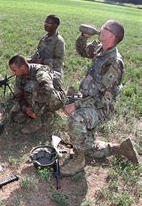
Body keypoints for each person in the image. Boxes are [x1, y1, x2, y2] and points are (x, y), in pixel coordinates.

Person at [61, 20, 139, 176]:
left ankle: (79, 160)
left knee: (76, 119)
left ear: (111, 34)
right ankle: (120, 149)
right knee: (88, 146)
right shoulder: (100, 48)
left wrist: (77, 106)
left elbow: (104, 99)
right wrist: (83, 36)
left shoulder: (114, 62)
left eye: (104, 27)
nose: (100, 28)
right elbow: (82, 51)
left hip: (101, 107)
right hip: (90, 99)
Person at [8, 55, 66, 134]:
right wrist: (25, 108)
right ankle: (45, 114)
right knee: (15, 115)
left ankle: (37, 120)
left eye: (15, 70)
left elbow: (47, 89)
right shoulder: (20, 76)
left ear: (22, 67)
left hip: (54, 98)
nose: (14, 73)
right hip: (35, 100)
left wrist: (35, 110)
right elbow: (18, 95)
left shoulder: (41, 71)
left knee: (33, 86)